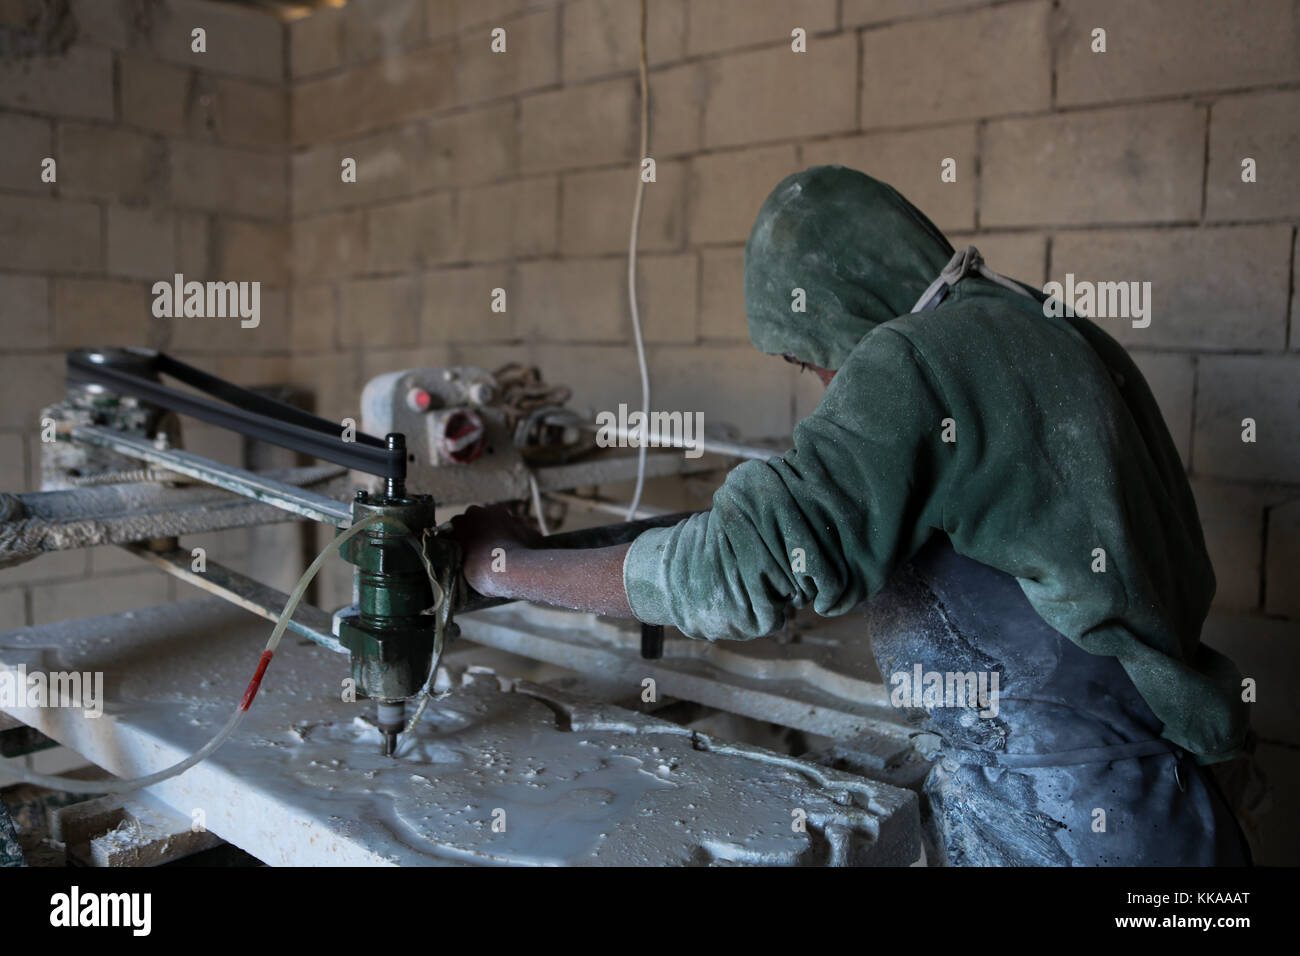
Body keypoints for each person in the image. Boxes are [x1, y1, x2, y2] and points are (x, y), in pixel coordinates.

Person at [451, 165, 1252, 865]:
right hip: (1170, 796)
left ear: (843, 310)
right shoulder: (1044, 323)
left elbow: (741, 565)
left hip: (1063, 818)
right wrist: (550, 556)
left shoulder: (920, 355)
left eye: (808, 358)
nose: (827, 388)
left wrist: (500, 568)